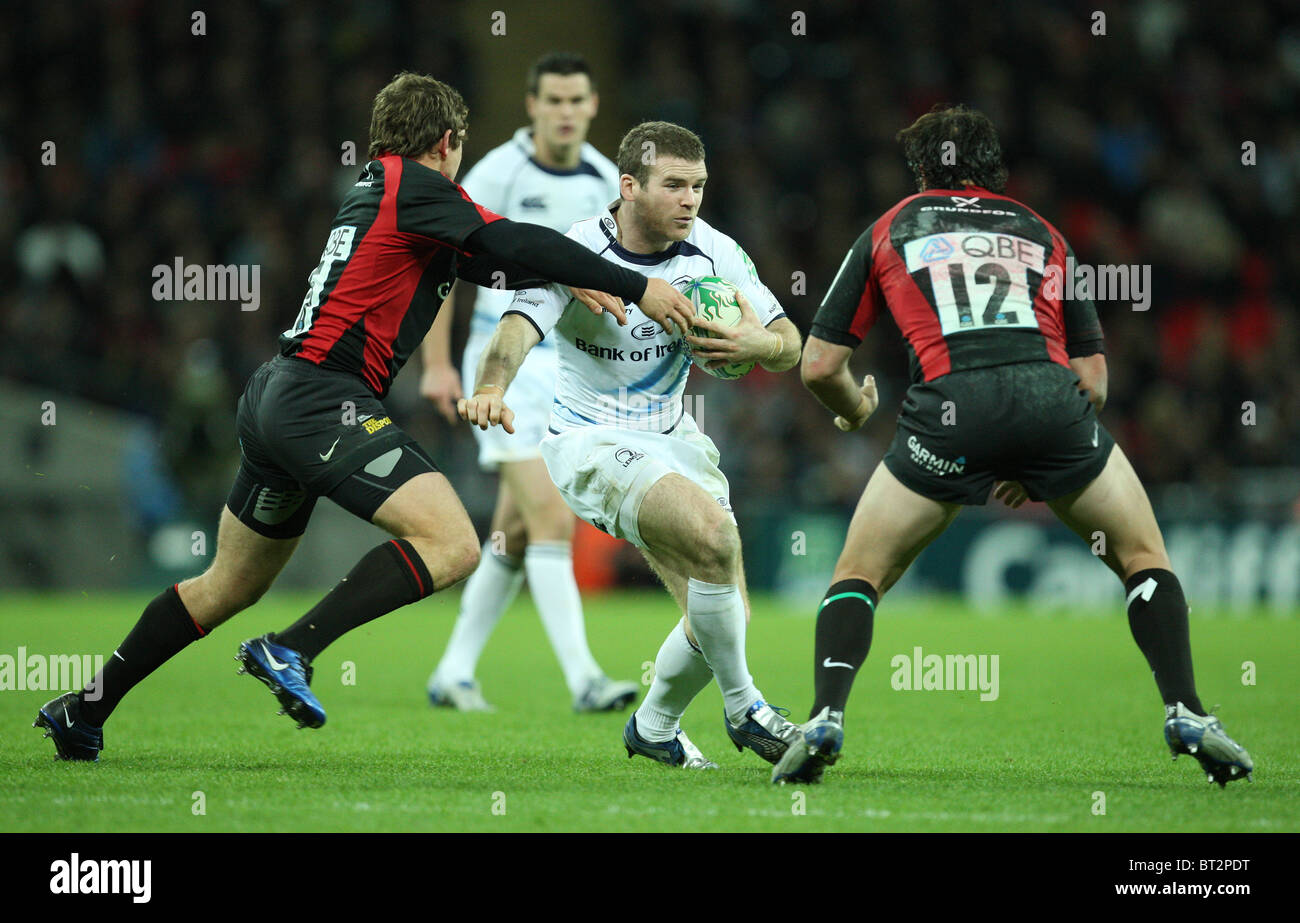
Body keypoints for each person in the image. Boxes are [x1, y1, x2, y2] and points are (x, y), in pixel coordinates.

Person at [34, 72, 694, 760]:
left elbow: (498, 263)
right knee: (453, 544)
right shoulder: (418, 186)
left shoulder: (382, 186)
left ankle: (84, 706)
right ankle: (290, 648)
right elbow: (511, 243)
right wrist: (633, 280)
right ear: (448, 142)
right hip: (325, 397)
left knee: (228, 583)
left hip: (277, 394)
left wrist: (570, 274)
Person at [773, 105, 1255, 787]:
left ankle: (825, 716)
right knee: (1144, 556)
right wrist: (1034, 462)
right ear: (993, 167)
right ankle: (1186, 710)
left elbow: (819, 365)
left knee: (860, 573)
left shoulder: (892, 226)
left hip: (950, 410)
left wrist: (855, 409)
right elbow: (1094, 377)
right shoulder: (1044, 232)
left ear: (920, 172)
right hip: (1050, 404)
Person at [460, 121, 806, 770]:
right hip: (589, 440)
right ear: (629, 186)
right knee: (715, 538)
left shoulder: (713, 252)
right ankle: (748, 711)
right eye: (673, 185)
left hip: (673, 436)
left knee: (724, 607)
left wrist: (759, 345)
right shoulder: (576, 251)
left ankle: (654, 725)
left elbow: (789, 341)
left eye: (698, 186)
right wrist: (490, 385)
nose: (689, 200)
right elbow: (513, 329)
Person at [420, 53, 637, 714]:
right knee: (549, 519)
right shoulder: (498, 172)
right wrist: (437, 364)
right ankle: (585, 680)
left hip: (570, 368)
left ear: (593, 105)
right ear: (532, 105)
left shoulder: (606, 178)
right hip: (506, 366)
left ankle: (452, 672)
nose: (566, 112)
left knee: (513, 532)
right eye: (555, 101)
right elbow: (441, 268)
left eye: (577, 100)